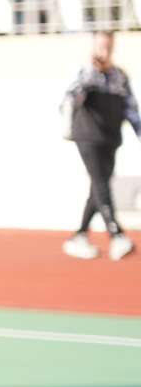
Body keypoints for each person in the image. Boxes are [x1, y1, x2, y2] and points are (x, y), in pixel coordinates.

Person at [60, 31, 141, 261]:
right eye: (101, 46)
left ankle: (80, 235)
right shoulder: (85, 73)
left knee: (99, 186)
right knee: (100, 182)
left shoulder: (119, 76)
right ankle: (116, 234)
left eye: (108, 46)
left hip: (110, 138)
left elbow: (131, 108)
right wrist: (93, 72)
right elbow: (69, 100)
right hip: (87, 137)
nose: (104, 51)